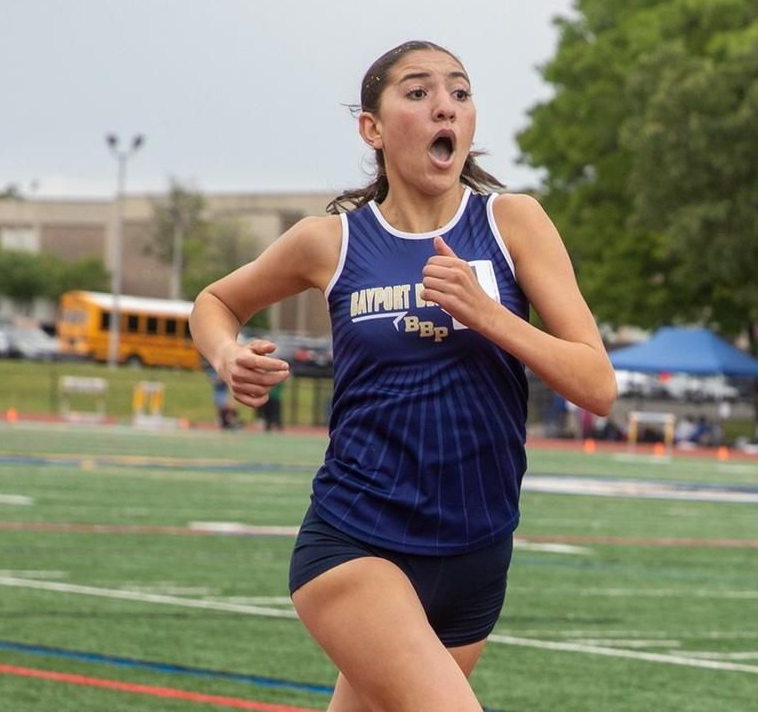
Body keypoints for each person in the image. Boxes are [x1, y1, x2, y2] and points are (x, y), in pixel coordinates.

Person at [190, 41, 615, 712]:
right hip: (358, 538)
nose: (443, 103)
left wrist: (489, 315)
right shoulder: (331, 240)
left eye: (460, 92)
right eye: (417, 92)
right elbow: (215, 302)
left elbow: (598, 385)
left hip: (477, 552)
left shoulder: (513, 223)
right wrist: (225, 354)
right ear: (374, 127)